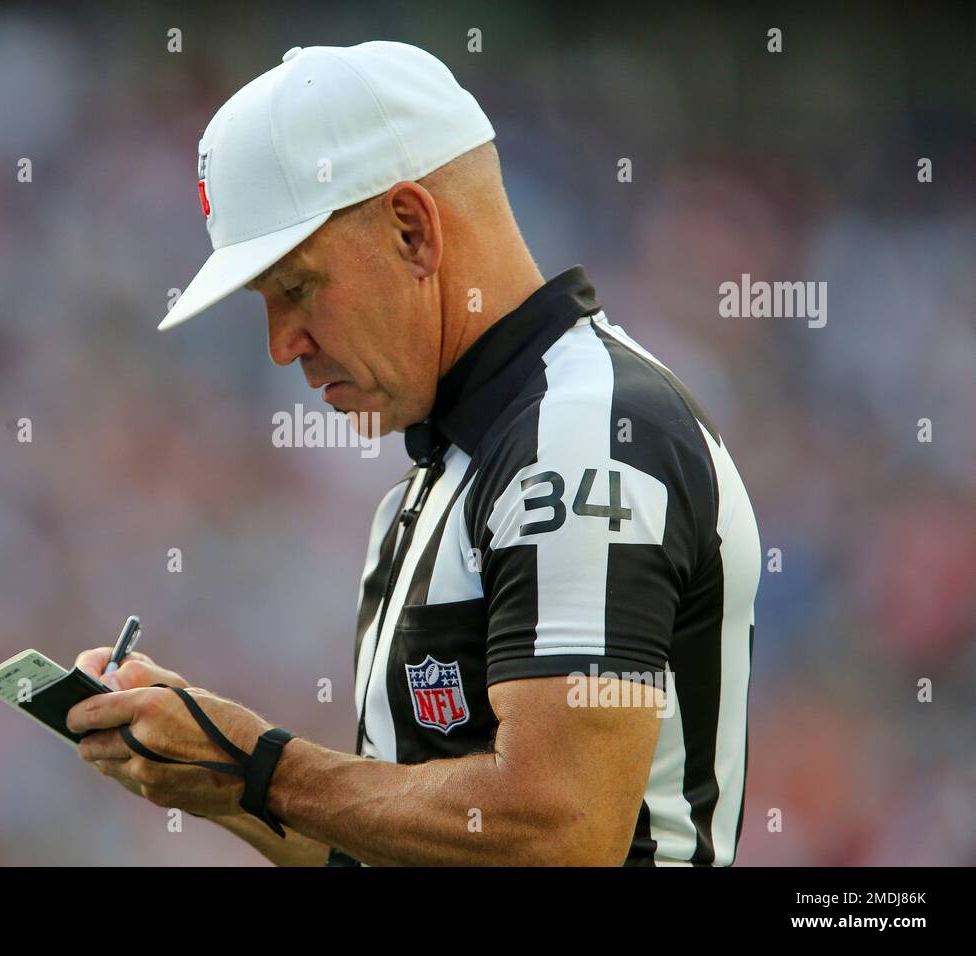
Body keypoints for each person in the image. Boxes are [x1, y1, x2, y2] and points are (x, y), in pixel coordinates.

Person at [67, 40, 761, 866]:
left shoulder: (587, 435)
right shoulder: (443, 475)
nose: (282, 345)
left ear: (410, 228)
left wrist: (259, 763)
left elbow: (561, 832)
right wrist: (222, 779)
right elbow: (414, 849)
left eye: (296, 287)